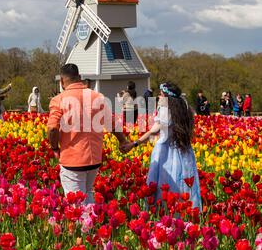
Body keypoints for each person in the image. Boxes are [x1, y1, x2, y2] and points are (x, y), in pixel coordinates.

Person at [47, 64, 127, 203]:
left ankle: (86, 224)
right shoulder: (97, 97)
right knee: (88, 195)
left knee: (76, 205)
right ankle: (92, 223)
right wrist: (123, 141)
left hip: (72, 160)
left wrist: (54, 148)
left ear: (61, 81)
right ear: (80, 78)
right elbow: (111, 123)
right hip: (94, 159)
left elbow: (53, 128)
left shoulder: (58, 99)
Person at [122, 82, 202, 210]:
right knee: (182, 181)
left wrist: (134, 143)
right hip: (183, 150)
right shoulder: (184, 108)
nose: (159, 96)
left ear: (166, 96)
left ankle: (163, 210)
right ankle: (182, 209)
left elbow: (154, 131)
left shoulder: (166, 110)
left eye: (161, 94)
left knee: (166, 183)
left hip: (166, 152)